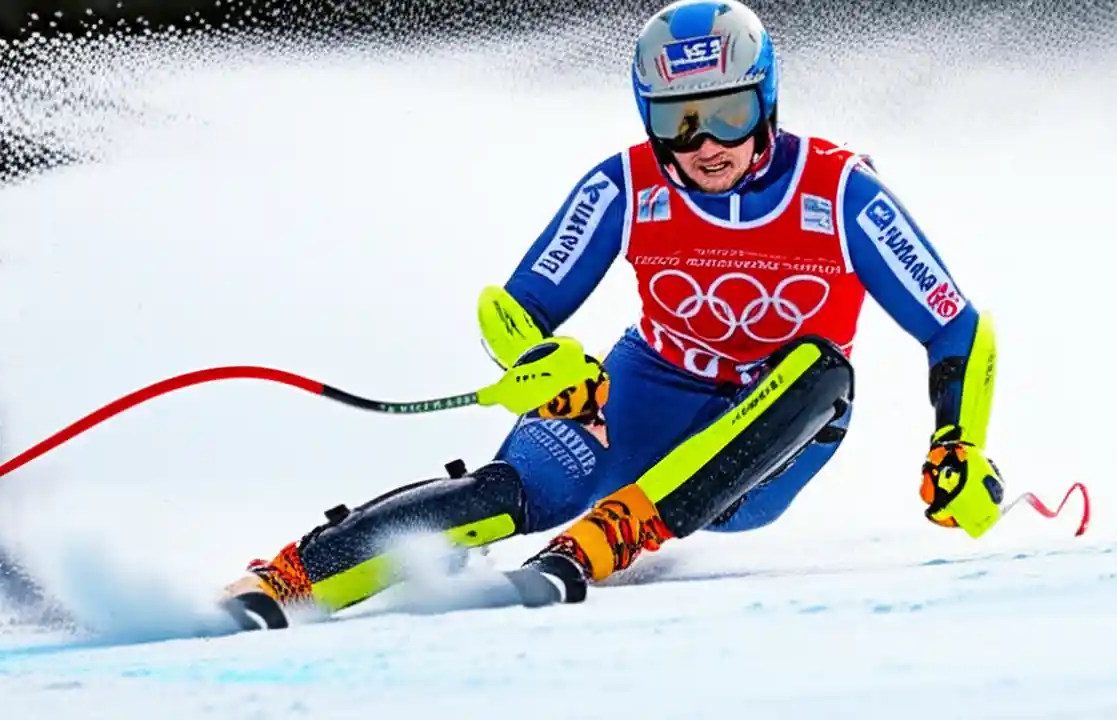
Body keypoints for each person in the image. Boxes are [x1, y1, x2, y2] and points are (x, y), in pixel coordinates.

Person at [223, 0, 1005, 629]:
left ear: (766, 101)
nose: (707, 145)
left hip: (768, 437)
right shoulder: (625, 186)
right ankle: (288, 579)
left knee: (821, 367)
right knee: (517, 489)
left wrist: (958, 443)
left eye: (729, 114)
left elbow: (956, 326)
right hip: (645, 393)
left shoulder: (841, 192)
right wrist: (541, 365)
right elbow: (512, 307)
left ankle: (610, 538)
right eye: (678, 122)